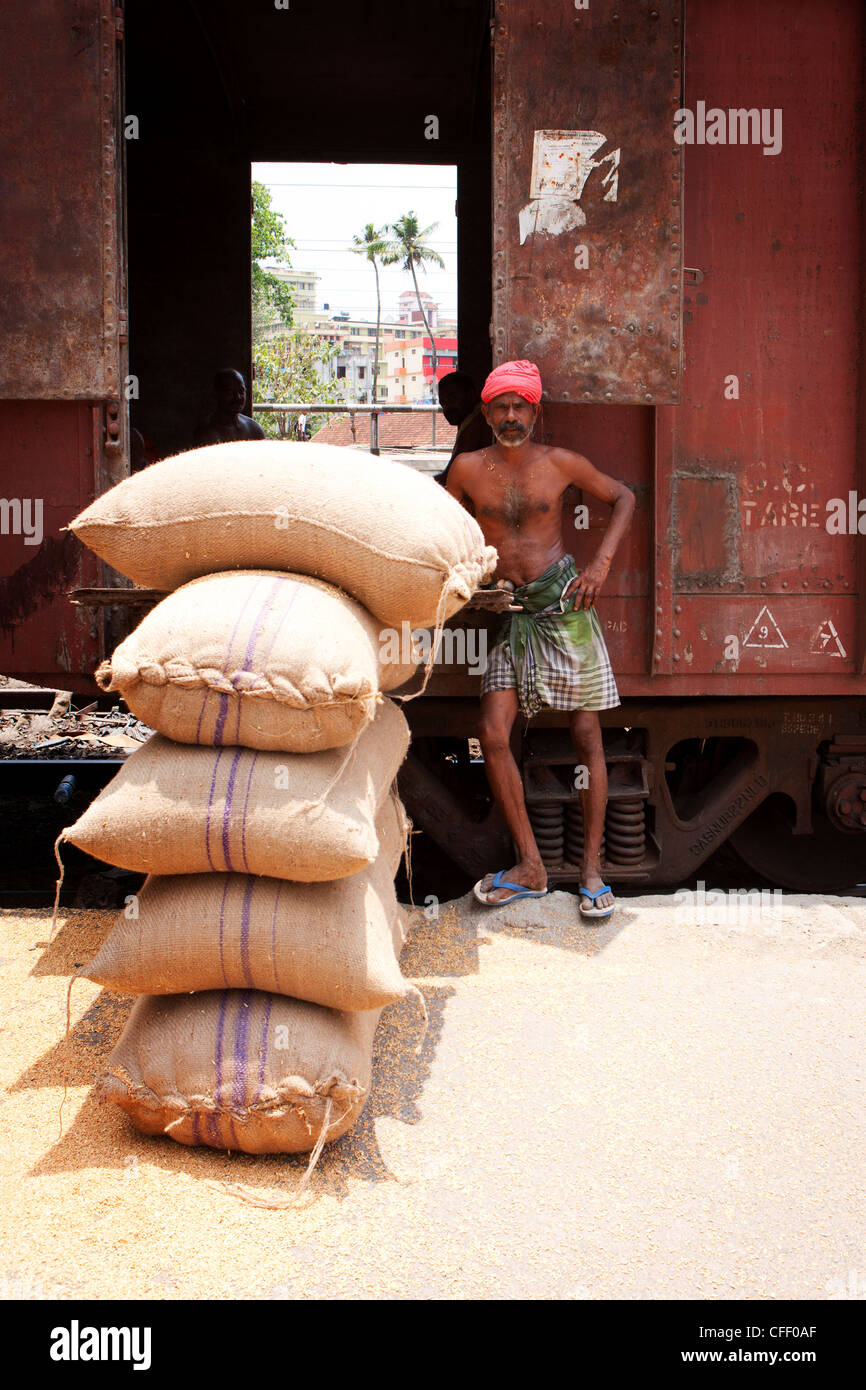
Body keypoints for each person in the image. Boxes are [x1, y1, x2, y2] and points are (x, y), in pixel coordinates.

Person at [446, 359, 634, 918]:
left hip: (564, 603)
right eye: (500, 406)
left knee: (586, 736)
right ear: (485, 412)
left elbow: (622, 497)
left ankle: (593, 873)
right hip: (512, 612)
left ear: (535, 411)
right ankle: (530, 866)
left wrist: (599, 566)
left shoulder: (561, 463)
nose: (510, 416)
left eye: (519, 406)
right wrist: (469, 582)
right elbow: (441, 532)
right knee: (492, 731)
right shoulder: (465, 470)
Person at [434, 371, 492, 486]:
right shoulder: (471, 418)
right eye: (443, 403)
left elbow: (449, 478)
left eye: (452, 399)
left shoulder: (477, 422)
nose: (447, 408)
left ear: (470, 395)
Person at [194, 368, 265, 446]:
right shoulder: (206, 434)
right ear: (216, 394)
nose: (237, 397)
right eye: (230, 392)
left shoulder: (254, 429)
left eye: (241, 391)